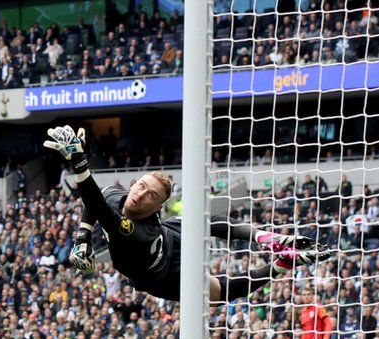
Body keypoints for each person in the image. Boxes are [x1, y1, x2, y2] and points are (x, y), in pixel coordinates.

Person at [43, 125, 332, 302]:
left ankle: (268, 240)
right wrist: (83, 236)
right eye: (141, 186)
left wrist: (79, 161)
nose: (141, 193)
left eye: (151, 195)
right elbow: (97, 201)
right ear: (134, 183)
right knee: (217, 285)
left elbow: (96, 204)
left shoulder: (135, 231)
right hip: (160, 265)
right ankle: (281, 263)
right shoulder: (116, 194)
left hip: (164, 259)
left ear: (157, 207)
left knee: (213, 270)